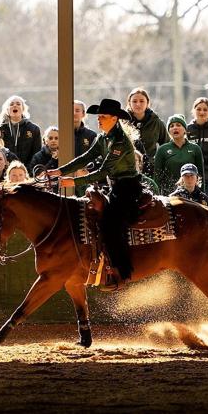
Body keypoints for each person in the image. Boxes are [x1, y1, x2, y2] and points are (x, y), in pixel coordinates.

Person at [48, 98, 143, 283]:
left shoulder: (120, 142)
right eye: (98, 116)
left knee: (111, 224)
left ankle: (121, 271)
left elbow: (104, 171)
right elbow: (86, 157)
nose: (98, 120)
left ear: (114, 119)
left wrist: (74, 181)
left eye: (103, 116)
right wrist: (60, 170)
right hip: (114, 185)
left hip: (127, 187)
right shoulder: (103, 137)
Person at [153, 114, 205, 195]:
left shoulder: (195, 148)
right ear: (169, 131)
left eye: (178, 125)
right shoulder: (162, 150)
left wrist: (202, 195)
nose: (175, 128)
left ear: (185, 129)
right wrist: (156, 196)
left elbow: (201, 176)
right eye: (171, 126)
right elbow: (157, 177)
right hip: (169, 195)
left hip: (191, 195)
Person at [126, 87, 168, 175]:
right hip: (127, 169)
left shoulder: (156, 122)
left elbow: (166, 145)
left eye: (142, 101)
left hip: (150, 170)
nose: (138, 104)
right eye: (134, 101)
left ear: (148, 103)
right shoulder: (122, 122)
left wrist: (158, 162)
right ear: (129, 103)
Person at [0, 95, 42, 166]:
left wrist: (28, 171)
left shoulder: (34, 129)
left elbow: (37, 154)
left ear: (23, 109)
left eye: (18, 104)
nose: (15, 106)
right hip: (5, 171)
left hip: (27, 171)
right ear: (7, 110)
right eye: (11, 104)